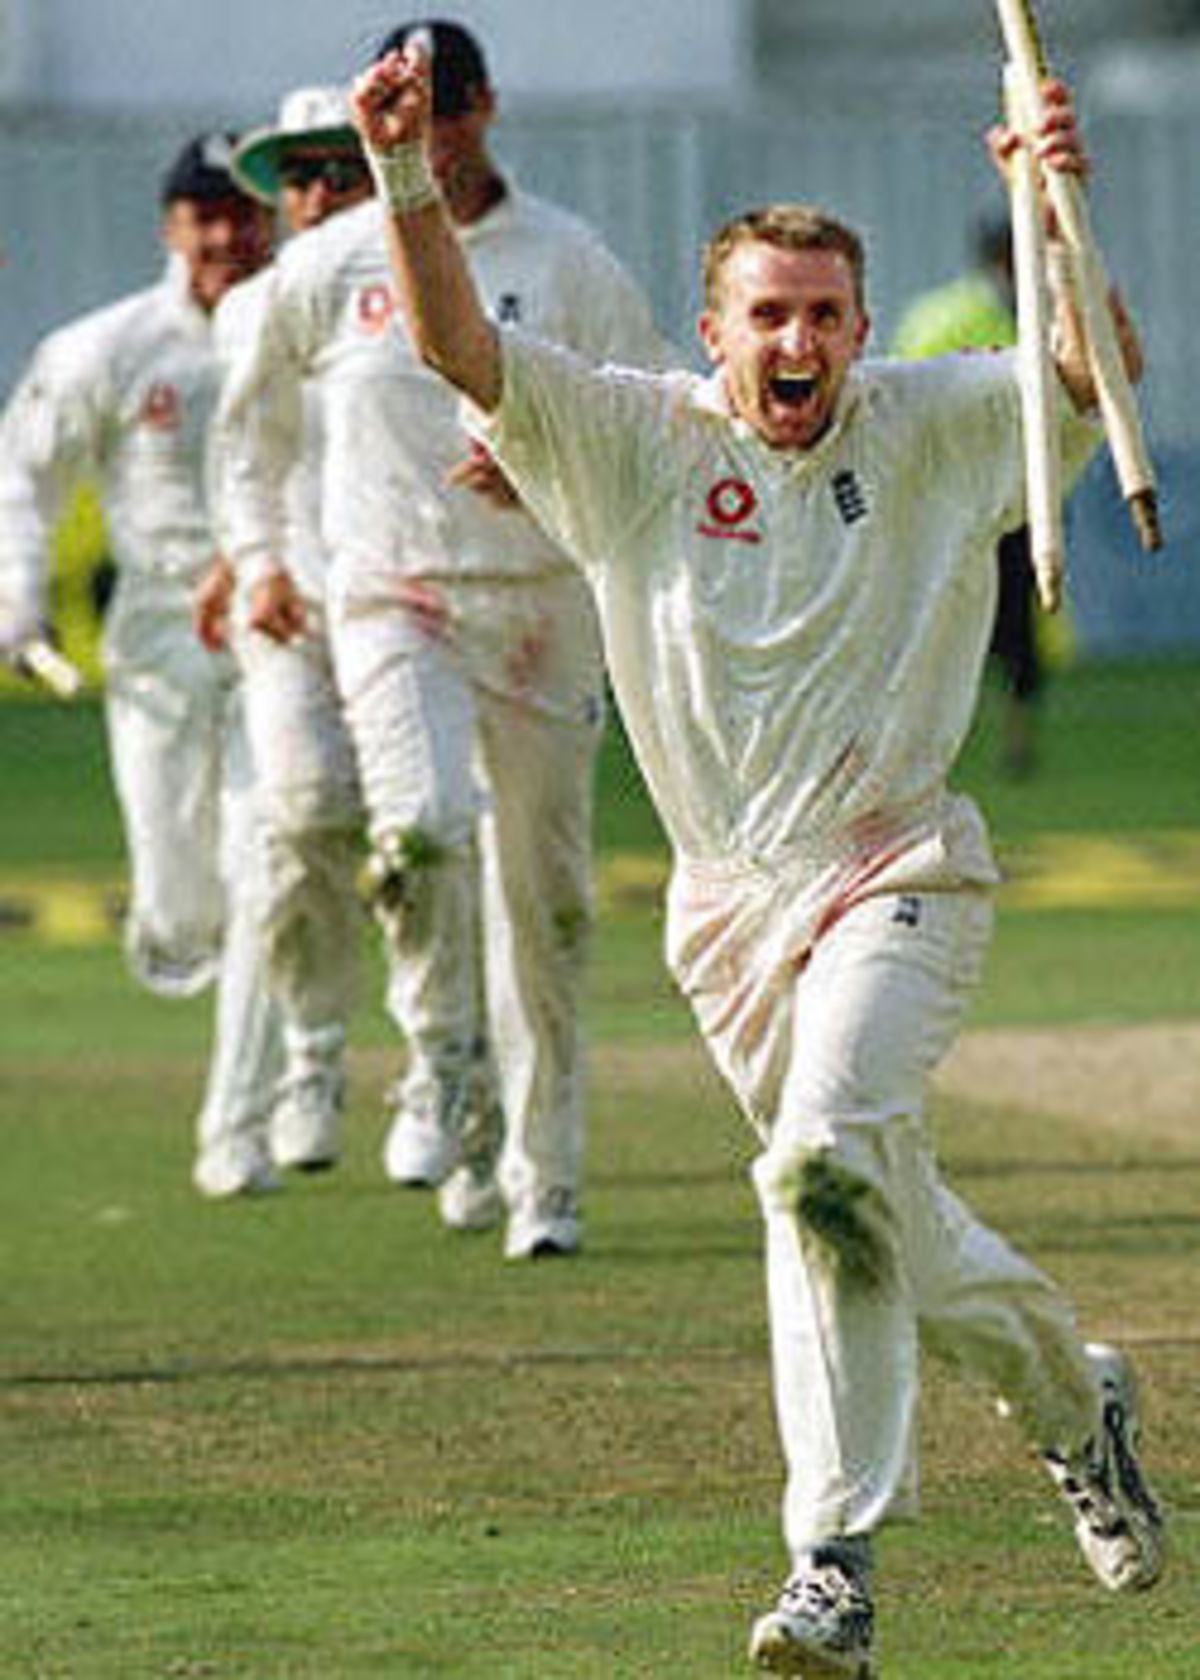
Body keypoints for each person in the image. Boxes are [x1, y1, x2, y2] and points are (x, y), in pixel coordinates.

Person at [352, 47, 1165, 1674]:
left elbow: (1095, 386)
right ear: (710, 328)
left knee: (820, 1166)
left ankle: (832, 1564)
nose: (798, 343)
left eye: (824, 315)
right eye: (767, 316)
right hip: (731, 905)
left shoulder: (928, 424)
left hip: (898, 863)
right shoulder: (629, 438)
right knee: (880, 1213)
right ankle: (1079, 1400)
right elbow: (455, 344)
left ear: (863, 330)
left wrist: (1066, 214)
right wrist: (403, 179)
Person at [218, 18, 670, 1259]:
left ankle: (543, 1172)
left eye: (452, 105)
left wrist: (547, 469)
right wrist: (260, 560)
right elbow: (250, 437)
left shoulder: (565, 258)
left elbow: (651, 416)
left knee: (547, 905)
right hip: (392, 595)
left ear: (486, 109)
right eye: (410, 108)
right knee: (417, 829)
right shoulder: (329, 266)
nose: (436, 130)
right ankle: (442, 1064)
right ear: (385, 116)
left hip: (536, 605)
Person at [0, 135, 283, 1198]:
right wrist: (19, 598)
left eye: (241, 214)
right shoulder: (109, 347)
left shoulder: (300, 332)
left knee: (271, 866)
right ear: (172, 227)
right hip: (158, 646)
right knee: (181, 913)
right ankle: (187, 940)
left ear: (269, 222)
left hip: (278, 627)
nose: (224, 236)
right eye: (203, 216)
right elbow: (23, 476)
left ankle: (238, 1127)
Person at [202, 88, 375, 1174]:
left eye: (339, 171)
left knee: (453, 854)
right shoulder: (249, 310)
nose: (318, 195)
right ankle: (312, 1055)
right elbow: (245, 456)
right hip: (296, 609)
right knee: (298, 822)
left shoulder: (436, 287)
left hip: (432, 602)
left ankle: (459, 1085)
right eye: (299, 177)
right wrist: (251, 561)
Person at [891, 214, 1044, 776]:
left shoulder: (932, 313)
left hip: (942, 500)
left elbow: (896, 403)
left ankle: (935, 745)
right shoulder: (1019, 318)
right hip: (1002, 497)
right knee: (1012, 628)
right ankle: (1014, 739)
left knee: (938, 623)